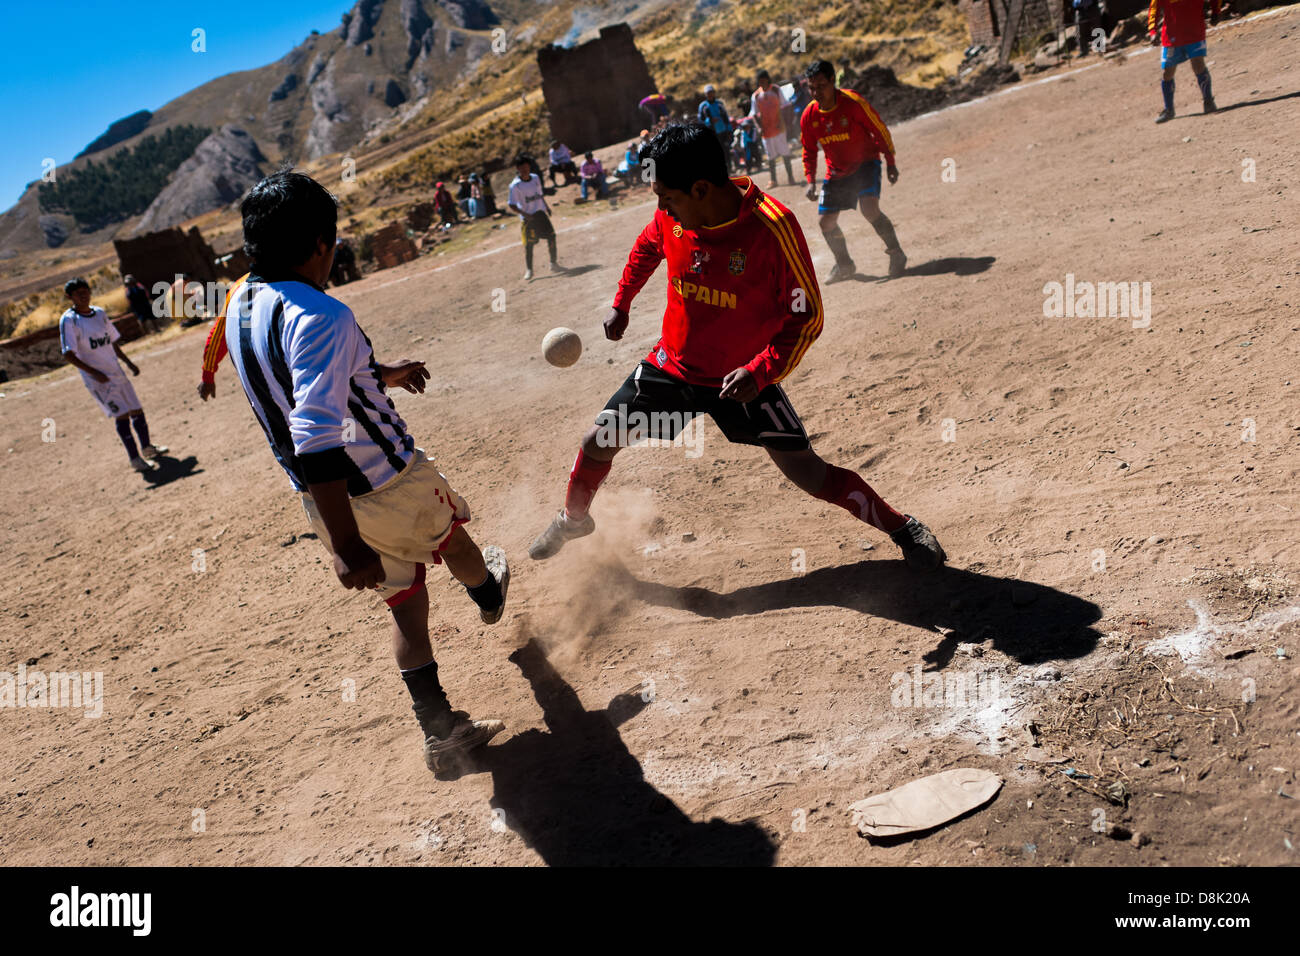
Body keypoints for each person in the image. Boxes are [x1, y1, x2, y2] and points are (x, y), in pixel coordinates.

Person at [526, 124, 945, 572]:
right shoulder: (673, 215)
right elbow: (649, 245)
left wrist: (760, 371)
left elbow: (808, 317)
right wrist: (622, 302)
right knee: (596, 442)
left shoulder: (772, 228)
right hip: (673, 368)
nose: (662, 208)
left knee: (810, 474)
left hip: (743, 381)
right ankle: (573, 520)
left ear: (701, 188)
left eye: (666, 197)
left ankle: (902, 528)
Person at [224, 172, 509, 774]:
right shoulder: (321, 314)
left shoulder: (241, 305)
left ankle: (441, 733)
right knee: (451, 537)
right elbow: (315, 431)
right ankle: (489, 593)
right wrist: (350, 547)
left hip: (323, 501)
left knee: (405, 605)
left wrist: (381, 372)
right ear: (321, 246)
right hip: (386, 480)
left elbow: (313, 381)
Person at [800, 59, 907, 283]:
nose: (816, 92)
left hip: (866, 163)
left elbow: (879, 130)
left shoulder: (853, 103)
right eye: (811, 87)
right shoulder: (809, 116)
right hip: (837, 172)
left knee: (869, 209)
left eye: (821, 86)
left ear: (833, 81)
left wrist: (890, 161)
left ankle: (896, 253)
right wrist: (810, 180)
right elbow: (808, 150)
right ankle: (844, 265)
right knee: (825, 223)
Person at [59, 277, 168, 473]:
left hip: (116, 371)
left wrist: (128, 362)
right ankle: (134, 459)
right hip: (99, 379)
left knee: (136, 409)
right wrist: (94, 373)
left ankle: (147, 448)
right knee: (122, 415)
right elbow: (68, 353)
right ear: (70, 297)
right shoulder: (70, 320)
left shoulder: (99, 314)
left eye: (85, 291)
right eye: (78, 293)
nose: (83, 296)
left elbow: (112, 342)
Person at [1149, 0, 1220, 123]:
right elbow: (1154, 9)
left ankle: (1208, 101)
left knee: (1198, 65)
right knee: (1167, 72)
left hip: (1194, 32)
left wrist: (1216, 12)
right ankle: (1169, 110)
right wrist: (1153, 31)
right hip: (1171, 37)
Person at [507, 153, 563, 280]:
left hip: (540, 214)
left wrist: (546, 206)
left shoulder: (535, 178)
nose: (525, 169)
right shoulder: (515, 186)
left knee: (552, 237)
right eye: (522, 167)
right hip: (528, 219)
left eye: (526, 166)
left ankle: (553, 263)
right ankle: (529, 270)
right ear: (518, 169)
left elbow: (540, 195)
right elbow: (512, 204)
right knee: (529, 245)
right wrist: (525, 214)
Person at [197, 272, 251, 401]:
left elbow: (218, 335)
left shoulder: (240, 287)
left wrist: (208, 374)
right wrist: (208, 374)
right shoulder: (240, 288)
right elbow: (219, 334)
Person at [751, 70, 797, 187]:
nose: (761, 82)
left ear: (767, 79)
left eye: (763, 80)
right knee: (770, 156)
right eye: (759, 81)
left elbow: (785, 106)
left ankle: (791, 177)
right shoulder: (756, 96)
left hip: (779, 128)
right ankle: (773, 180)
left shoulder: (776, 90)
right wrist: (759, 128)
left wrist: (786, 123)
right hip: (766, 130)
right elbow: (754, 114)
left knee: (785, 153)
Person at [697, 84, 732, 173]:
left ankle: (730, 168)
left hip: (723, 130)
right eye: (708, 93)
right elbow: (701, 121)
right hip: (712, 132)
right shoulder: (703, 106)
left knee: (726, 150)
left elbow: (725, 117)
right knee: (716, 152)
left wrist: (729, 129)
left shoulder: (719, 103)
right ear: (705, 94)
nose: (710, 94)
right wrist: (710, 121)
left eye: (711, 92)